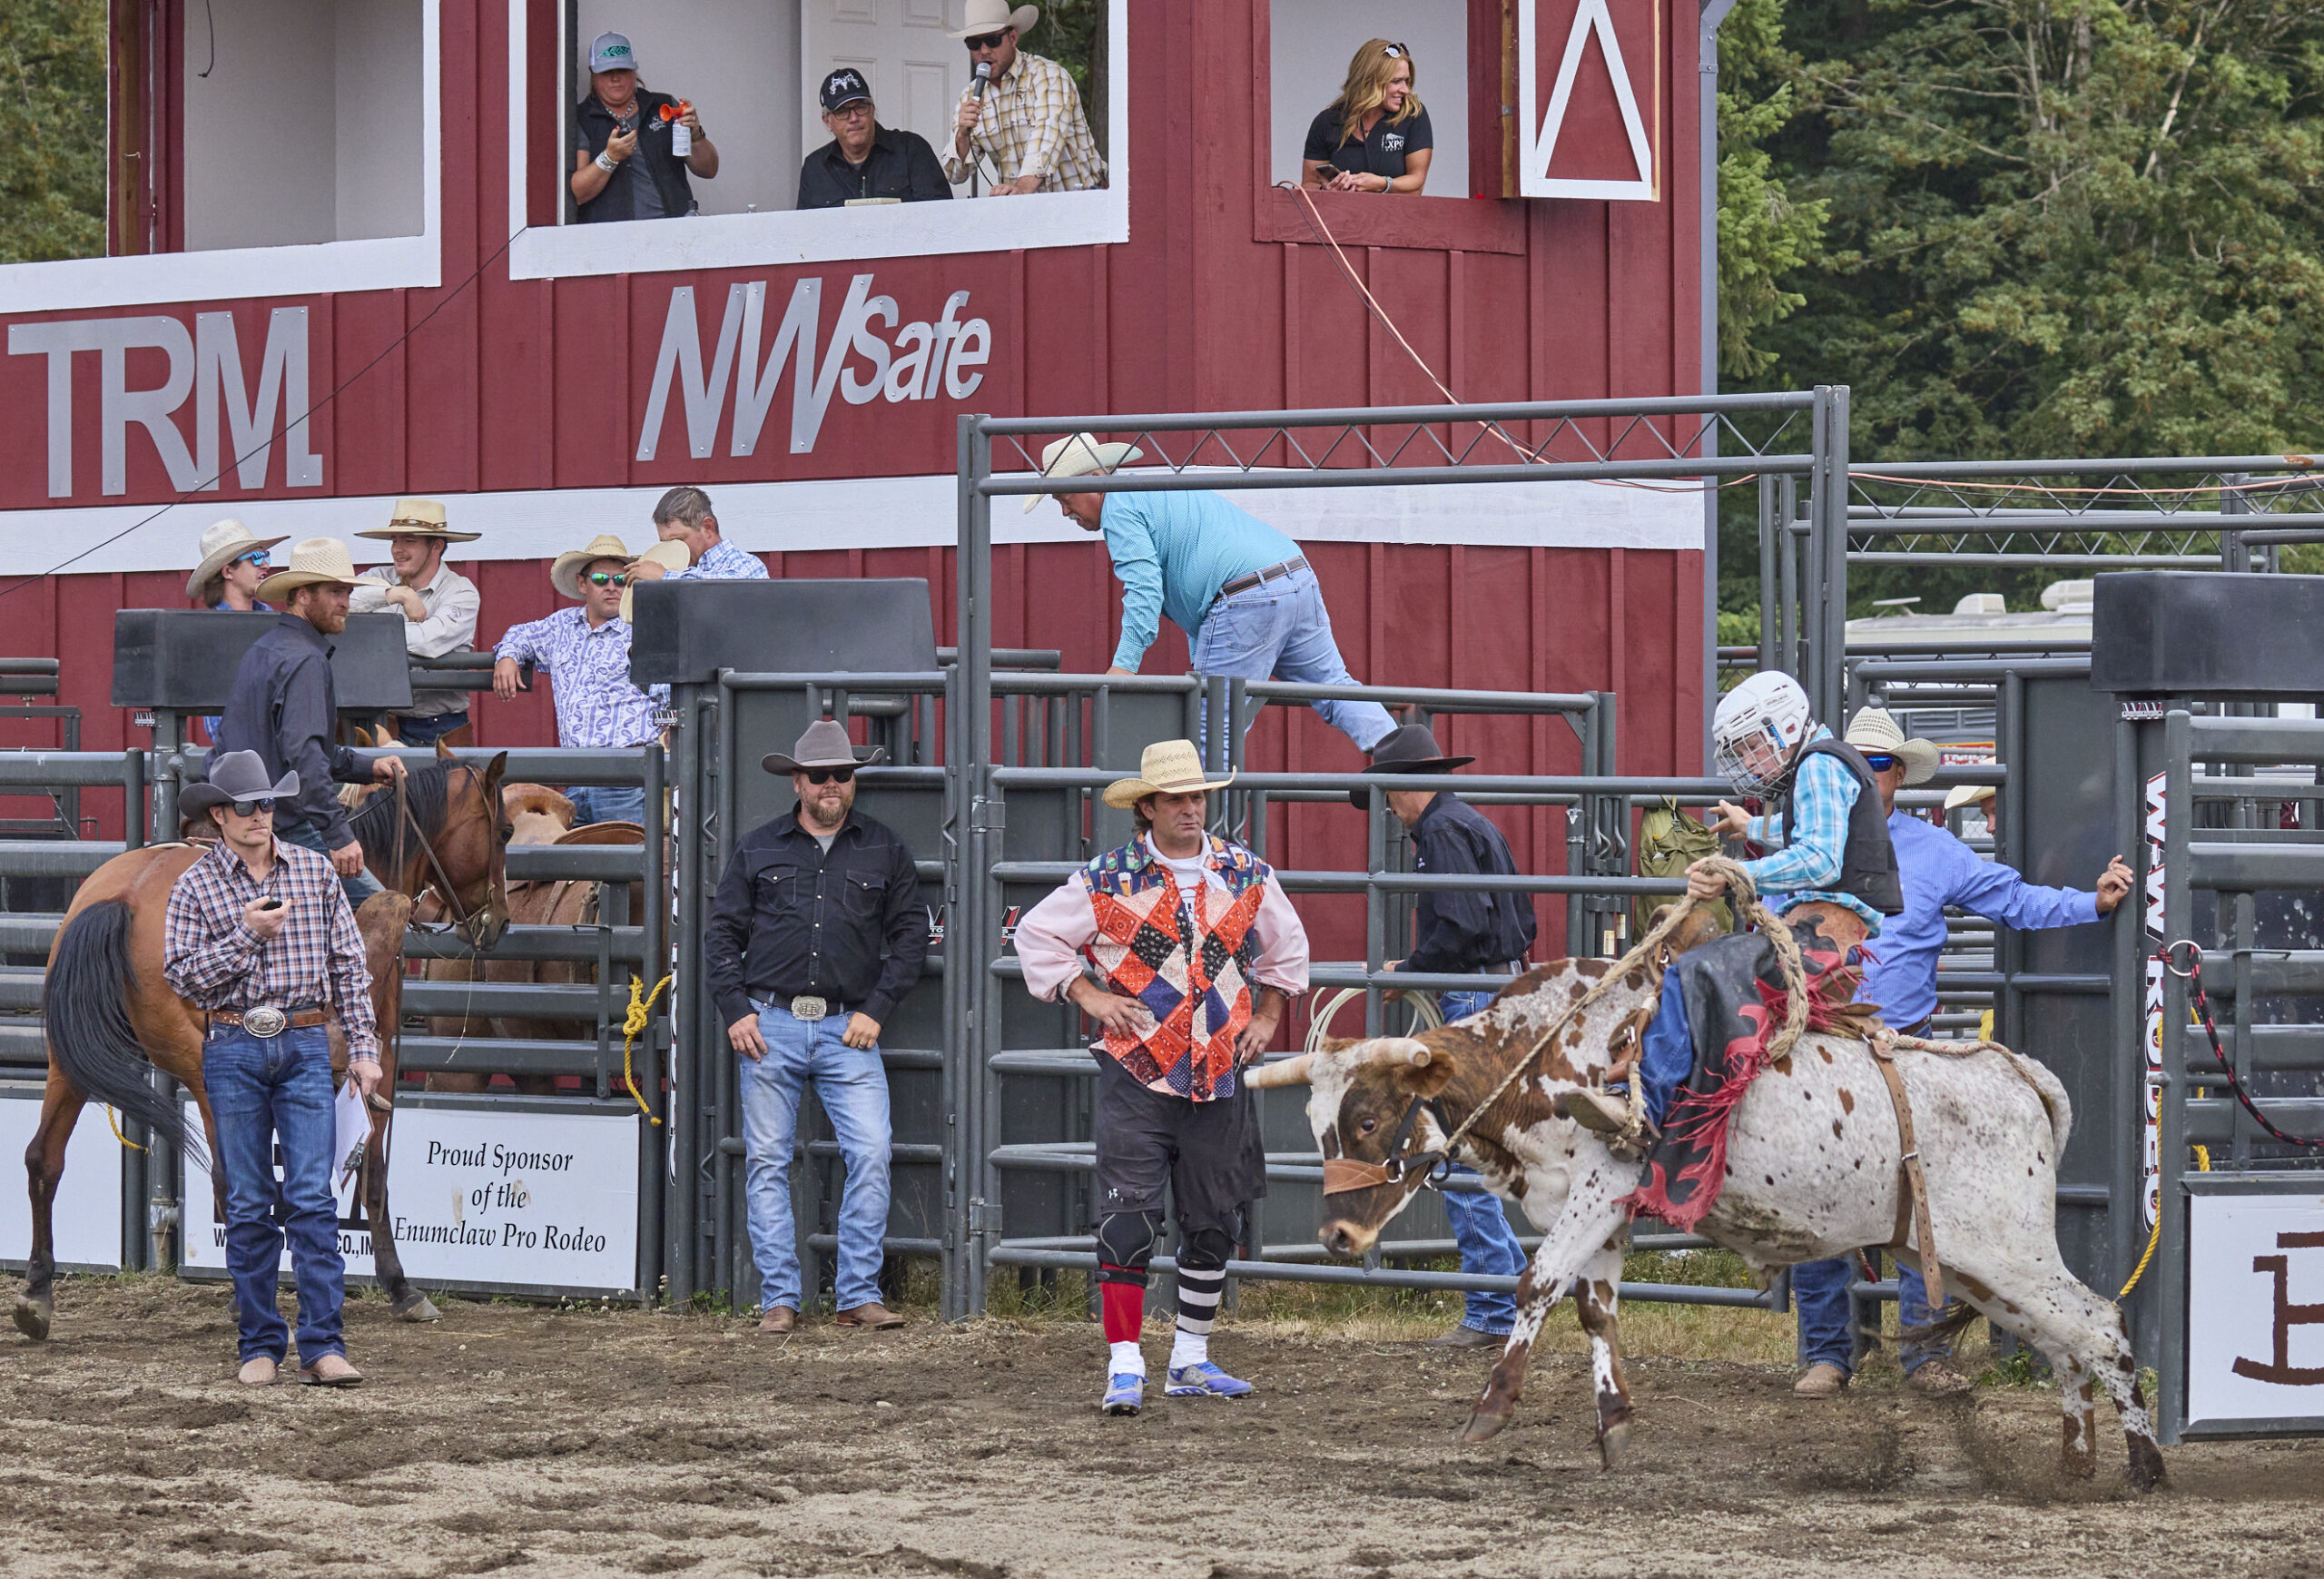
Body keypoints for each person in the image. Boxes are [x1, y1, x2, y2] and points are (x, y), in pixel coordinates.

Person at [1787, 710, 2132, 1399]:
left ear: (1897, 777)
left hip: (1902, 1048)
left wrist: (2089, 903)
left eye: (1877, 766)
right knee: (1814, 1197)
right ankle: (1828, 1352)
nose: (1864, 778)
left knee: (1922, 1199)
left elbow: (2011, 898)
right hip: (1822, 1045)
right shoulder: (1803, 850)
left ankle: (1923, 1355)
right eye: (1851, 765)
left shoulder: (1934, 852)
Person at [1013, 739, 1312, 1416]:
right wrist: (1088, 996)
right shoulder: (1106, 878)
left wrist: (1268, 1012)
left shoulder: (1244, 873)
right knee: (1129, 1217)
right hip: (1137, 1070)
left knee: (1213, 1217)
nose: (1190, 808)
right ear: (1145, 807)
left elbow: (1288, 946)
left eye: (1197, 795)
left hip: (1220, 1070)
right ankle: (1125, 1364)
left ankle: (1190, 1358)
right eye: (1176, 798)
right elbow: (1035, 934)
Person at [1561, 671, 1902, 1154]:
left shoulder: (1817, 766)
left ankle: (1641, 1104)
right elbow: (1823, 827)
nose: (1746, 762)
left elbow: (1823, 856)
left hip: (1819, 934)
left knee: (1694, 970)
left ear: (1783, 729)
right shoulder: (1827, 764)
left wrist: (1733, 874)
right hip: (1828, 930)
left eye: (1750, 747)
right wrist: (1757, 826)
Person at [162, 750, 380, 1388]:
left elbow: (348, 967)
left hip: (307, 1039)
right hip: (232, 1041)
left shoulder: (314, 872)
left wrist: (364, 1049)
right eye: (248, 806)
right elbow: (183, 977)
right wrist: (247, 934)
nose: (262, 815)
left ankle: (321, 1343)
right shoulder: (195, 886)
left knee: (313, 1197)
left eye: (268, 804)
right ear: (219, 815)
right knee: (251, 1201)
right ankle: (259, 1342)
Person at [705, 719, 926, 1336]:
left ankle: (857, 1292)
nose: (833, 785)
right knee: (769, 1161)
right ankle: (780, 1297)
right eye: (822, 775)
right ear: (798, 781)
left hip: (847, 1024)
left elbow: (912, 937)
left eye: (844, 774)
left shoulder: (885, 848)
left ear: (853, 780)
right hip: (768, 1021)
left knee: (872, 1153)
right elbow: (721, 933)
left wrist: (877, 1008)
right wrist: (735, 1009)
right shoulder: (757, 848)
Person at [1034, 432, 1397, 758]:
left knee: (1210, 734)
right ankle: (1407, 764)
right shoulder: (1155, 489)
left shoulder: (1120, 507)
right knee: (1334, 687)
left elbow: (1144, 590)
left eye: (1066, 498)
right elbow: (1197, 600)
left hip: (1244, 596)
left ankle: (1207, 833)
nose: (1065, 511)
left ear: (1097, 481)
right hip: (1295, 576)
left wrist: (1123, 669)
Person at [1358, 725, 1538, 1349]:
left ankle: (1493, 1305)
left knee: (1452, 1146)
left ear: (1403, 787)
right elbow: (1510, 916)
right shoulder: (1467, 824)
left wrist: (1408, 970)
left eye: (1385, 791)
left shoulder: (1439, 832)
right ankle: (1509, 1289)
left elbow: (1461, 922)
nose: (1386, 803)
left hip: (1468, 994)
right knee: (1467, 1146)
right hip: (1495, 991)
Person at [213, 538, 408, 907]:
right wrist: (338, 836)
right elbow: (305, 757)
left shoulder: (265, 648)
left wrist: (368, 767)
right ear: (303, 595)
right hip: (285, 822)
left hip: (242, 813)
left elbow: (297, 746)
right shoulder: (306, 661)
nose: (345, 603)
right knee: (384, 910)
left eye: (348, 593)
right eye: (335, 592)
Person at [492, 534, 662, 826]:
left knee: (626, 864)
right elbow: (519, 634)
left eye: (620, 579)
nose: (611, 586)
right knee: (572, 867)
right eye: (600, 578)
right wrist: (507, 658)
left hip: (625, 775)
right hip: (574, 773)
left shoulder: (645, 627)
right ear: (583, 583)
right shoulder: (561, 625)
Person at [350, 498, 481, 748]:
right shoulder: (379, 577)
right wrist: (396, 594)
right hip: (384, 724)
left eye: (409, 540)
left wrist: (369, 636)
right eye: (394, 540)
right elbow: (341, 603)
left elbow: (429, 641)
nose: (397, 549)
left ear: (437, 546)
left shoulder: (461, 592)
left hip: (443, 727)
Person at [942, 1, 1105, 196]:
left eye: (992, 40)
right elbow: (955, 175)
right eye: (974, 43)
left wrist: (1021, 189)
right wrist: (961, 135)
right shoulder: (969, 97)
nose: (983, 50)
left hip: (1084, 201)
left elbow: (1046, 139)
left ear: (1012, 38)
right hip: (1025, 211)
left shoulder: (1047, 76)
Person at [570, 31, 718, 222]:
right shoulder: (582, 117)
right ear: (593, 74)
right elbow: (576, 195)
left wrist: (696, 135)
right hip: (611, 238)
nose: (615, 78)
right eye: (606, 72)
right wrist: (609, 158)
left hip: (674, 229)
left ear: (634, 71)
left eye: (622, 70)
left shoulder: (664, 106)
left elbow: (708, 170)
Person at [187, 518, 285, 744]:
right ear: (228, 571)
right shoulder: (212, 632)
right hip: (241, 754)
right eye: (256, 558)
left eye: (266, 556)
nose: (266, 565)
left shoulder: (271, 618)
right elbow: (218, 722)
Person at [798, 69, 951, 208]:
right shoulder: (815, 167)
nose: (853, 118)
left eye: (861, 107)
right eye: (842, 111)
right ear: (827, 121)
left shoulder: (911, 150)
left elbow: (940, 218)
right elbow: (804, 232)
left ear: (873, 109)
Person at [1302, 38, 1433, 195]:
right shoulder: (1327, 122)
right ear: (1371, 81)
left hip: (1397, 217)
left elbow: (1417, 181)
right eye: (1397, 81)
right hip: (1339, 217)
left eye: (1407, 81)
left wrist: (1382, 183)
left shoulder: (1413, 114)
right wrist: (1327, 190)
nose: (1405, 90)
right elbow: (1308, 184)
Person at [623, 486, 768, 585]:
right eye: (665, 543)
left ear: (707, 527)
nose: (672, 549)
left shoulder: (746, 564)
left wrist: (664, 576)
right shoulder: (671, 572)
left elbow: (735, 585)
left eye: (678, 540)